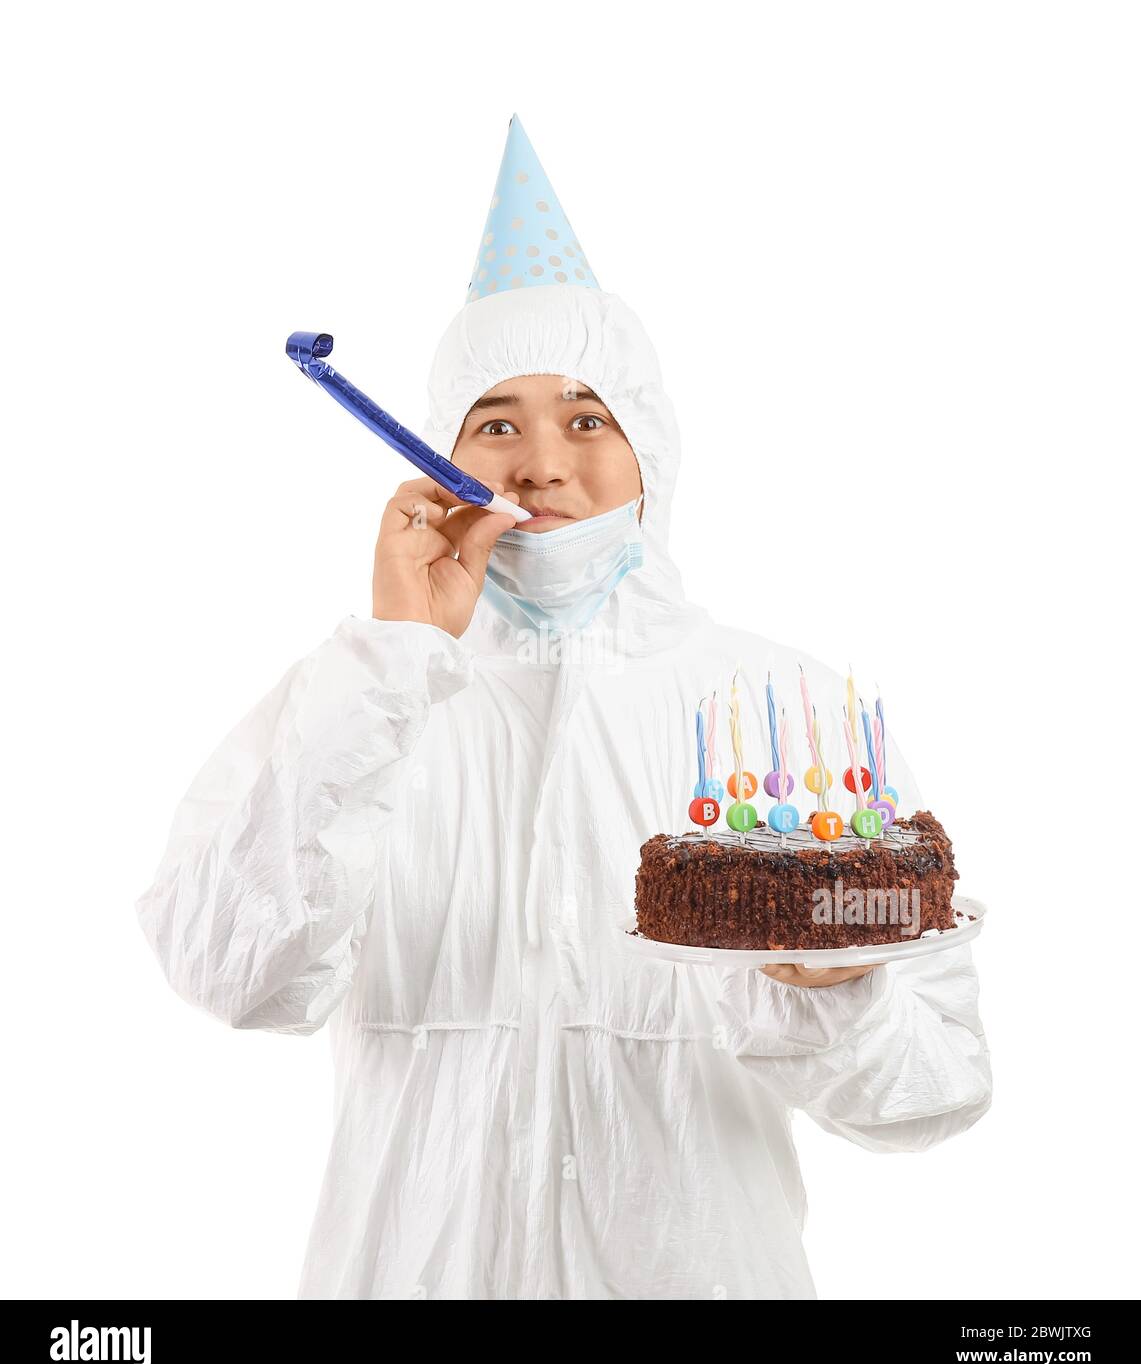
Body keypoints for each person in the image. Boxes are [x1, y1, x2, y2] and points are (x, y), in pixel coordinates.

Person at [135, 115, 992, 1300]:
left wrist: (839, 994)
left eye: (587, 418)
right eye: (496, 423)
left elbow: (935, 1091)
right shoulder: (358, 697)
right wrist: (395, 654)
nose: (540, 465)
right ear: (438, 453)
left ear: (655, 446)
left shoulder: (784, 711)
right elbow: (238, 977)